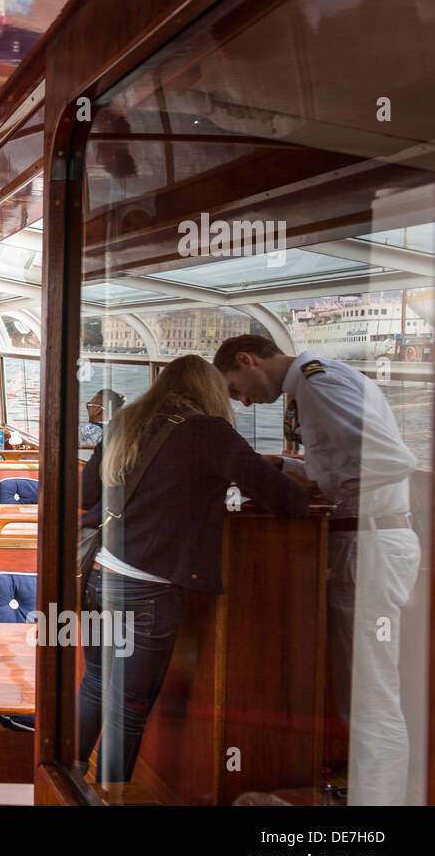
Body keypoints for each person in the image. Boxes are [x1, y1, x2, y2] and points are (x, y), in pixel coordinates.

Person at [77, 354, 309, 783]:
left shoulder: (126, 420)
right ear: (210, 392)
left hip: (98, 574)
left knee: (95, 684)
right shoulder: (210, 433)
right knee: (129, 706)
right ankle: (108, 795)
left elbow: (88, 491)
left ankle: (67, 780)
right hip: (147, 590)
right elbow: (288, 502)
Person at [214, 333, 420, 805]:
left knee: (371, 694)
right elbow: (348, 459)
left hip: (370, 541)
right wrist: (283, 466)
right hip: (367, 539)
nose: (243, 401)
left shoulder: (316, 384)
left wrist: (319, 484)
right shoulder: (317, 382)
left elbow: (392, 460)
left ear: (247, 360)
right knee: (360, 691)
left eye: (236, 387)